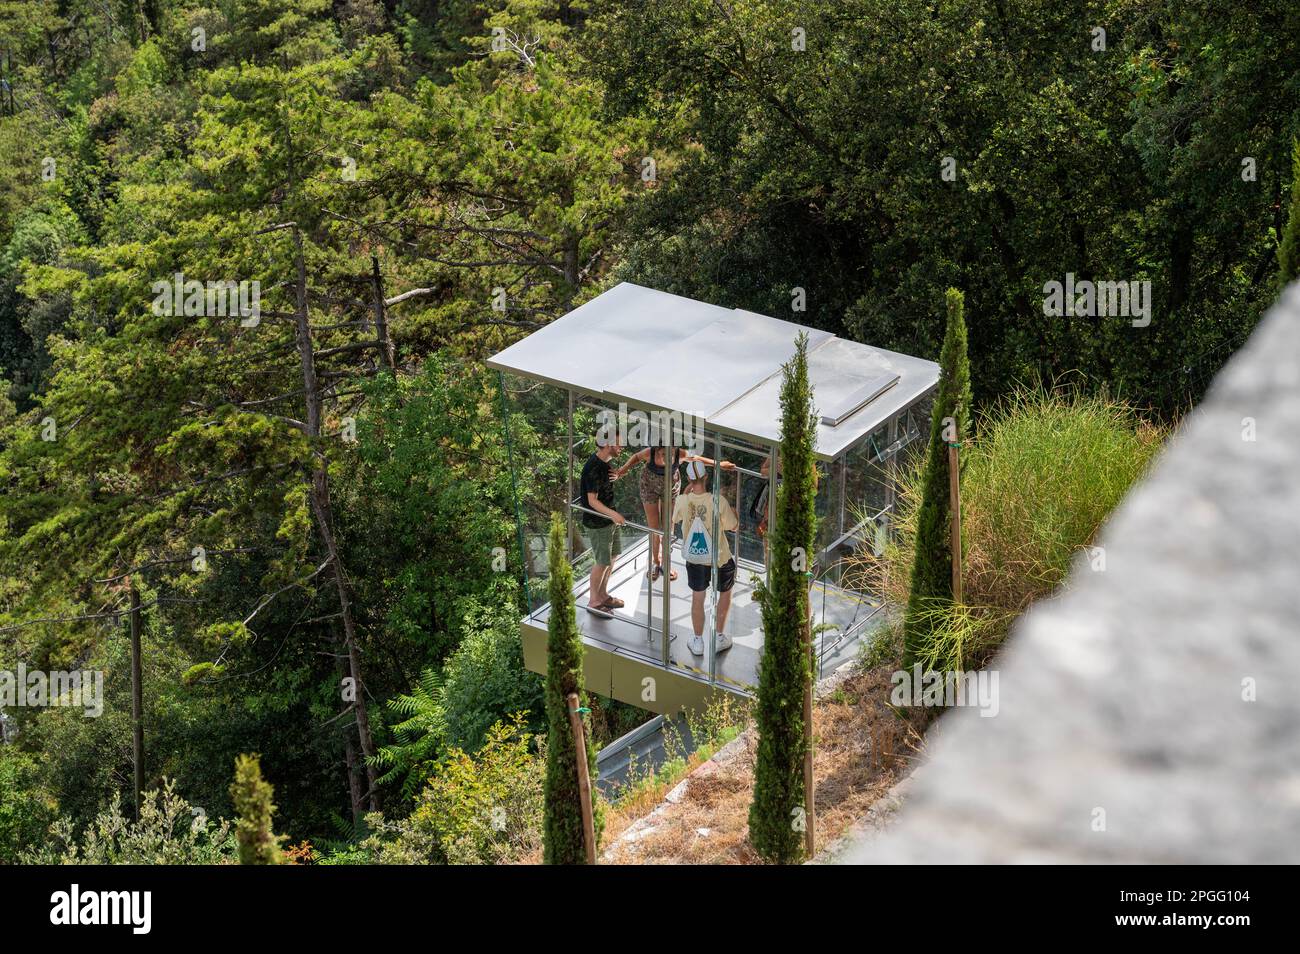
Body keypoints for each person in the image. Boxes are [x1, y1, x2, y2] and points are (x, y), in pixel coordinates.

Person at [615, 445, 734, 582]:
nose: (667, 457)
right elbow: (636, 457)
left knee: (668, 525)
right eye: (663, 454)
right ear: (658, 450)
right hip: (649, 485)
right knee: (654, 527)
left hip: (671, 485)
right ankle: (655, 562)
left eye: (670, 454)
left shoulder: (680, 453)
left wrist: (719, 464)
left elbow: (695, 458)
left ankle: (666, 564)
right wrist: (623, 469)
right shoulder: (650, 453)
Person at [672, 460, 739, 656]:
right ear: (706, 477)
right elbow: (733, 526)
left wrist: (685, 494)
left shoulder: (683, 501)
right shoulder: (718, 501)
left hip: (696, 558)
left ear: (690, 480)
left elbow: (675, 519)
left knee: (697, 598)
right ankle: (718, 637)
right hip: (720, 557)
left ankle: (698, 641)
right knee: (725, 594)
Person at [579, 435, 626, 616]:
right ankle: (593, 601)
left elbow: (604, 483)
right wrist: (614, 514)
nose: (621, 445)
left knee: (612, 556)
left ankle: (603, 595)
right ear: (606, 444)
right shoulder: (593, 468)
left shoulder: (604, 465)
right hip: (598, 523)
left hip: (608, 520)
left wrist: (618, 474)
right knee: (602, 562)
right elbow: (592, 501)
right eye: (617, 442)